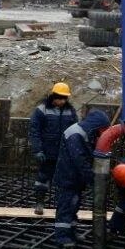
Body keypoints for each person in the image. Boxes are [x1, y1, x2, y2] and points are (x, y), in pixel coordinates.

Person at [52, 109, 111, 248]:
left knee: (74, 206)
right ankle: (62, 237)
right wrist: (92, 179)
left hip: (75, 178)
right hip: (68, 178)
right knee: (66, 207)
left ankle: (71, 232)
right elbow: (81, 161)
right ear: (96, 126)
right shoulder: (76, 134)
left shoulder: (86, 132)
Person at [28, 82, 77, 215]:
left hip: (64, 153)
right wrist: (38, 150)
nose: (62, 101)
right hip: (47, 152)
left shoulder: (70, 111)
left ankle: (61, 207)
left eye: (64, 98)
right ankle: (39, 203)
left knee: (64, 181)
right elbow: (34, 131)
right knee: (43, 179)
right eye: (60, 98)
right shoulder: (42, 110)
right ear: (53, 96)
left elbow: (75, 131)